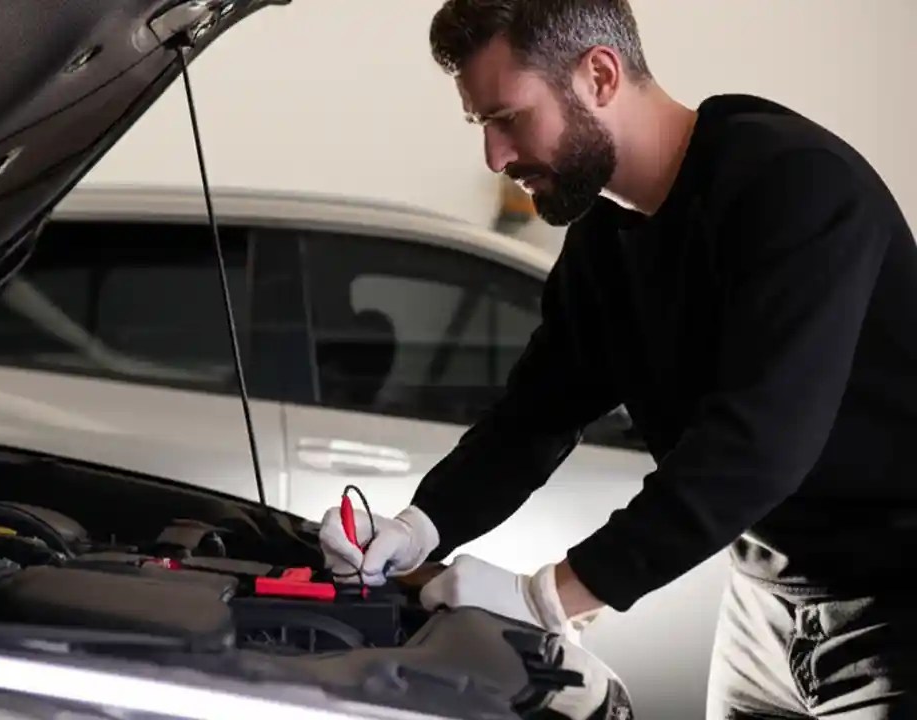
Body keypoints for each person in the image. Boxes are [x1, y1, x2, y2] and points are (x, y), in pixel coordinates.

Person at [317, 0, 917, 717]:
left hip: (896, 609)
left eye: (508, 118)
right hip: (760, 607)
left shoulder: (800, 188)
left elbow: (757, 448)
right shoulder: (604, 238)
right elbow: (534, 417)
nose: (496, 157)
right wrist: (420, 527)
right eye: (482, 126)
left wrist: (548, 597)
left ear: (599, 75)